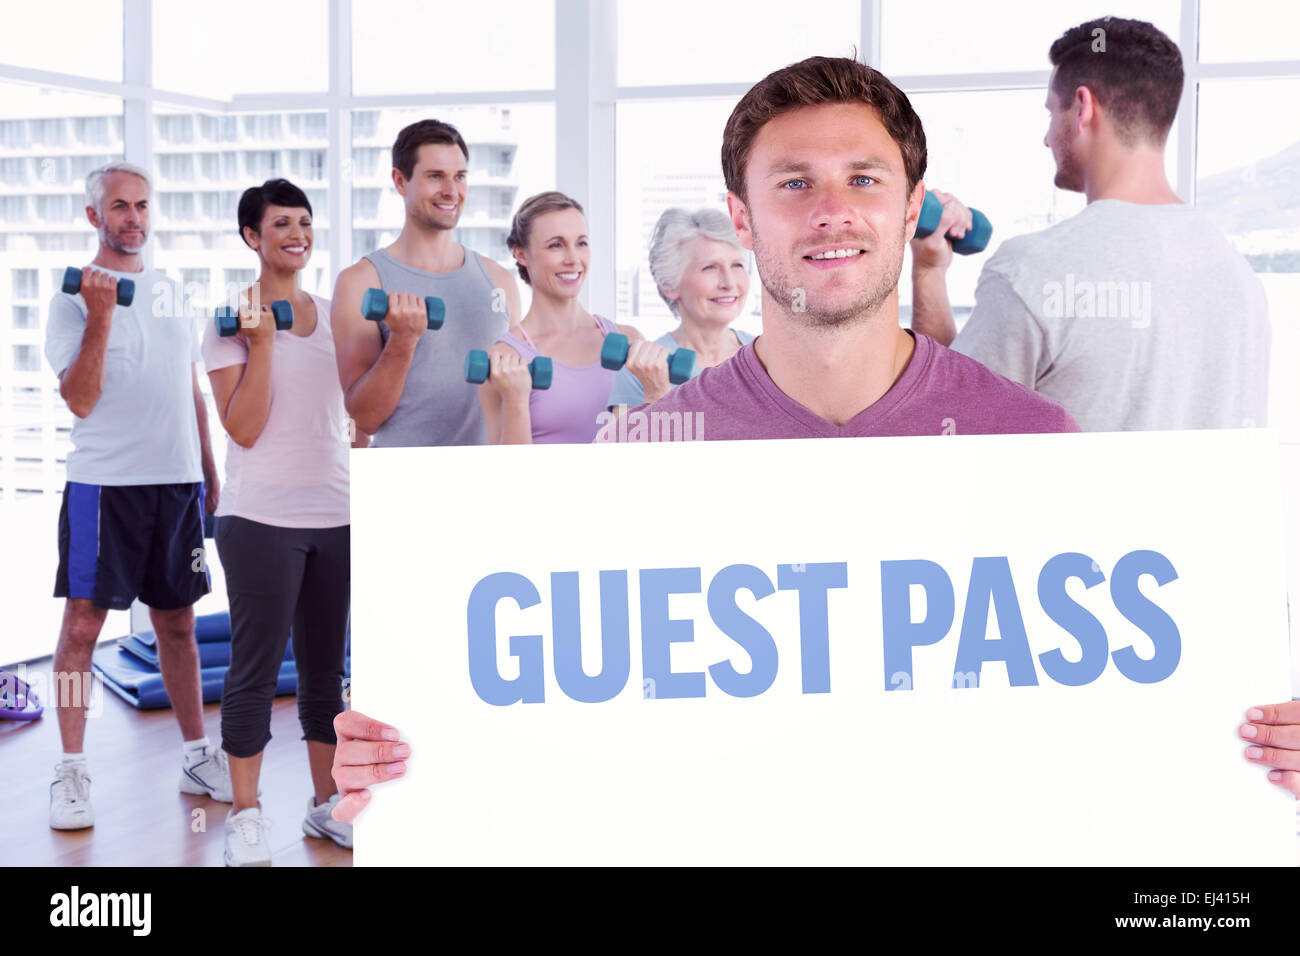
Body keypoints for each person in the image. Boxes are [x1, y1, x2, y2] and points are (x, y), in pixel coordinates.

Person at [329, 56, 1297, 817]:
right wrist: (426, 749)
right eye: (793, 184)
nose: (831, 209)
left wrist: (1253, 742)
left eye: (863, 178)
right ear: (745, 221)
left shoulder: (1032, 444)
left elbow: (1123, 715)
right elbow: (550, 723)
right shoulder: (636, 465)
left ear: (910, 208)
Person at [909, 17, 1270, 432]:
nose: (1047, 138)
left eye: (1051, 112)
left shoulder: (1035, 269)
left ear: (1082, 108)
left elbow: (942, 427)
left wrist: (927, 273)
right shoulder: (1239, 280)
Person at [44, 162, 226, 830]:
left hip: (174, 483)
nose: (134, 218)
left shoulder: (173, 291)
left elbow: (191, 387)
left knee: (177, 621)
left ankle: (197, 755)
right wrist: (99, 314)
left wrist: (209, 468)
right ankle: (70, 771)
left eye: (143, 205)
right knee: (83, 629)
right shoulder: (71, 297)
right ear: (94, 216)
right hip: (104, 486)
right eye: (119, 206)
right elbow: (81, 397)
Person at [202, 179, 358, 866]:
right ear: (252, 238)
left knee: (326, 674)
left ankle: (325, 805)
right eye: (280, 223)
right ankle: (246, 814)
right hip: (260, 518)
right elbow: (242, 426)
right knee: (255, 673)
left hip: (336, 515)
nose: (296, 233)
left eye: (304, 221)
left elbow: (351, 419)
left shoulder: (333, 318)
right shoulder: (227, 321)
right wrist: (262, 344)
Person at [331, 119, 522, 447]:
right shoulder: (360, 282)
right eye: (436, 176)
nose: (451, 191)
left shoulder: (500, 281)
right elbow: (365, 417)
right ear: (400, 181)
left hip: (488, 485)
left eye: (459, 177)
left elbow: (518, 399)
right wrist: (402, 340)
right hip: (405, 485)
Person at [477, 191, 654, 444]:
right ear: (521, 254)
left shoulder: (630, 341)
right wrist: (516, 400)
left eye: (581, 243)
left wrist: (656, 391)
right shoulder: (502, 361)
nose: (573, 259)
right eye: (556, 245)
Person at [603, 207, 753, 418]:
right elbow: (624, 451)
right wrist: (656, 394)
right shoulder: (638, 369)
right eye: (710, 267)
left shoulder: (769, 357)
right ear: (669, 285)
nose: (729, 283)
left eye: (737, 265)